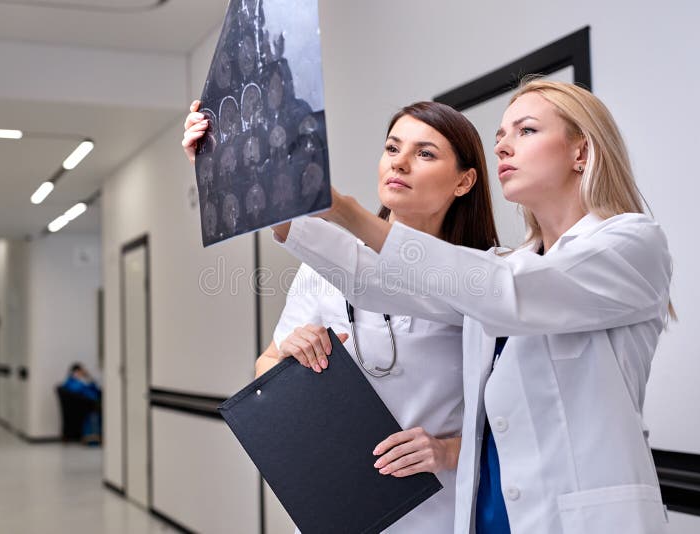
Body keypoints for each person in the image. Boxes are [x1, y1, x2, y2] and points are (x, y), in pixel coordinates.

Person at [271, 80, 673, 534]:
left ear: (581, 152)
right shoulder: (506, 263)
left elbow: (509, 292)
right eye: (500, 136)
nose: (503, 146)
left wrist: (345, 210)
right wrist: (264, 195)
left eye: (525, 131)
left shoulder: (631, 244)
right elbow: (376, 281)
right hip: (489, 516)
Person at [183, 100, 501, 532]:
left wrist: (449, 451)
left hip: (436, 513)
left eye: (425, 153)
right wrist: (293, 360)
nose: (400, 163)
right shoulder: (326, 262)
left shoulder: (486, 280)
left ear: (465, 181)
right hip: (337, 510)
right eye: (392, 148)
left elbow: (515, 420)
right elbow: (267, 365)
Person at [60, 362, 102, 444]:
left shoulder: (81, 382)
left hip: (91, 401)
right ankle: (95, 436)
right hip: (84, 405)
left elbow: (95, 388)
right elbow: (80, 391)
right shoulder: (72, 382)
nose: (83, 373)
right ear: (76, 372)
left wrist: (88, 377)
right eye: (81, 371)